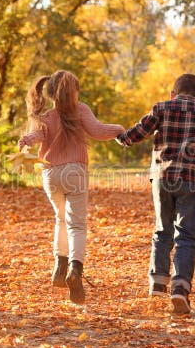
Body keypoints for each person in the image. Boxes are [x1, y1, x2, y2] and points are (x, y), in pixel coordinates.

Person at [116, 74, 195, 314]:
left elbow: (136, 134)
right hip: (190, 180)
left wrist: (119, 137)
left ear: (172, 94)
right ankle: (180, 287)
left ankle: (158, 282)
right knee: (186, 235)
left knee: (162, 229)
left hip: (163, 178)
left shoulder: (161, 107)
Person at [18, 70, 125, 304]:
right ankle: (75, 270)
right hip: (75, 171)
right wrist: (119, 129)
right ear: (72, 92)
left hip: (50, 174)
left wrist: (26, 141)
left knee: (60, 218)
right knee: (77, 224)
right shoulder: (81, 110)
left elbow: (35, 136)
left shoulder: (46, 116)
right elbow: (99, 131)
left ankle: (59, 266)